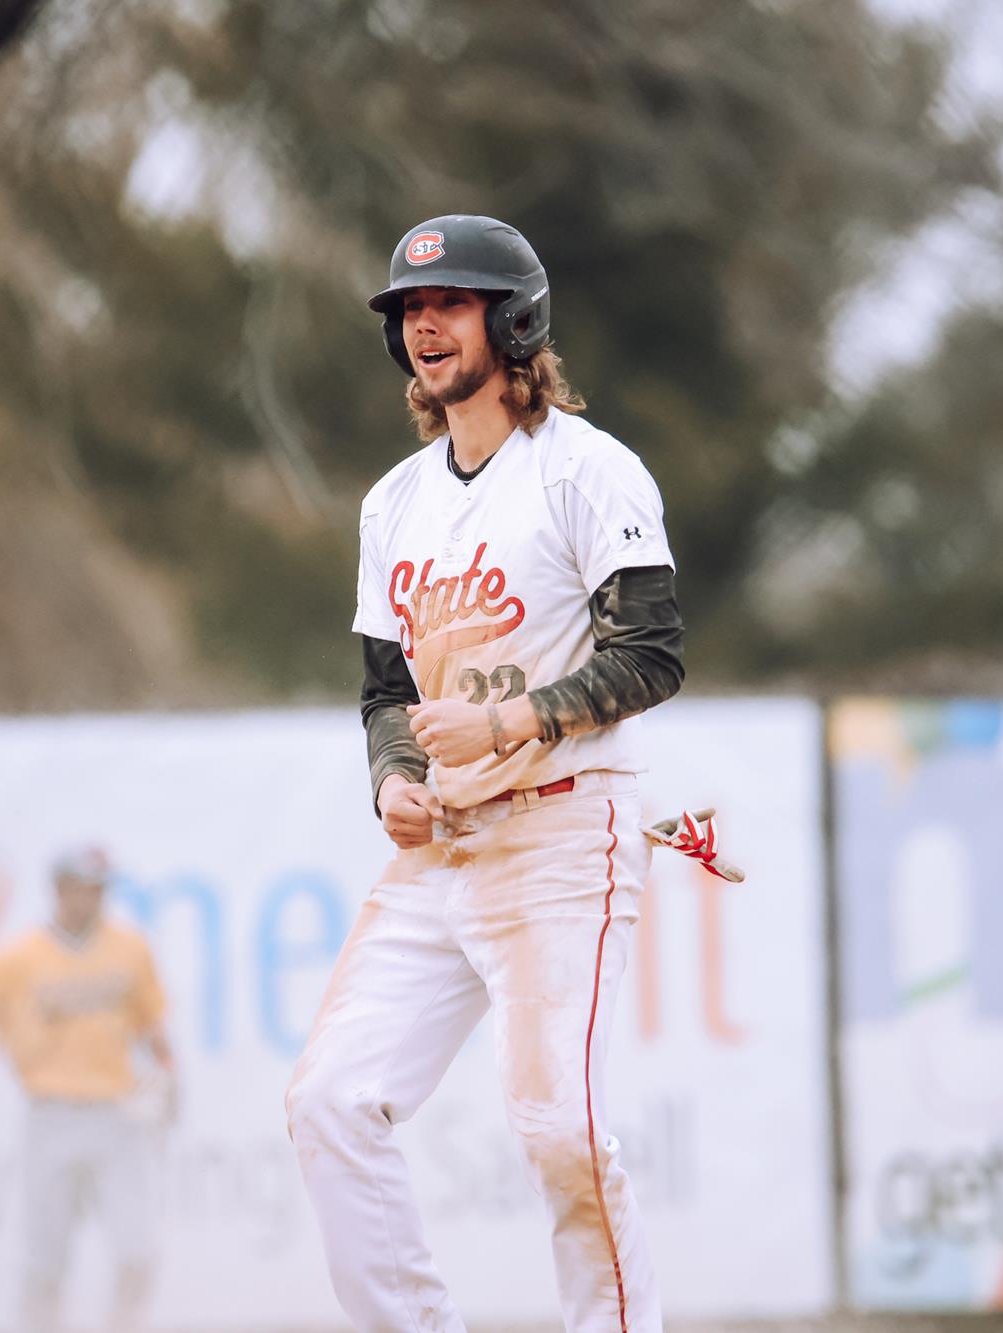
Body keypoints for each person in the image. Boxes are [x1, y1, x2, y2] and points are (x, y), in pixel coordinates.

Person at [285, 214, 685, 1333]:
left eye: (448, 303)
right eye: (410, 310)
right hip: (445, 849)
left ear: (513, 322)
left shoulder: (585, 470)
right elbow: (383, 693)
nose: (424, 324)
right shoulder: (392, 503)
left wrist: (512, 718)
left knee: (562, 1128)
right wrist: (391, 778)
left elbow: (651, 653)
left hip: (561, 830)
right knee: (327, 1102)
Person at [0, 846, 177, 1333]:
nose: (96, 897)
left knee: (138, 1252)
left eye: (101, 887)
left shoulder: (130, 948)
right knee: (45, 1264)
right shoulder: (14, 959)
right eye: (87, 886)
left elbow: (154, 1028)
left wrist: (170, 1082)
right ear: (61, 888)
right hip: (50, 1117)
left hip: (117, 1115)